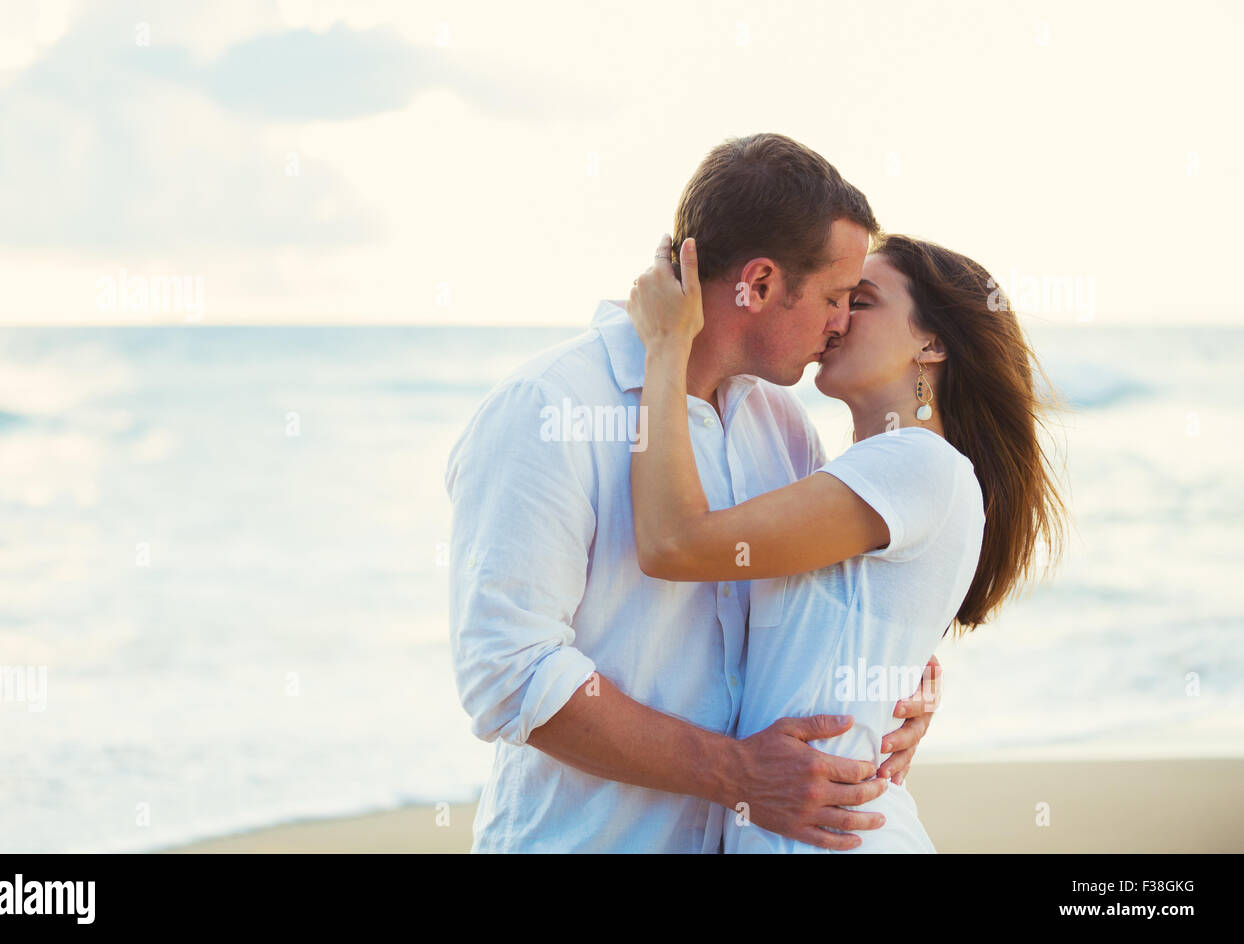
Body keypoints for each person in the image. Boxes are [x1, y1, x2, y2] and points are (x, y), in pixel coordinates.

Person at [446, 133, 941, 853]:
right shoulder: (546, 407)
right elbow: (508, 671)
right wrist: (736, 774)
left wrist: (906, 688)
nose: (841, 325)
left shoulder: (783, 427)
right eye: (836, 297)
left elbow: (825, 611)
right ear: (761, 283)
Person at [625, 231, 1067, 852]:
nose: (834, 320)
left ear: (930, 342)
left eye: (860, 301)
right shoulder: (871, 474)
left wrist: (665, 346)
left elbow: (674, 545)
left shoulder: (916, 464)